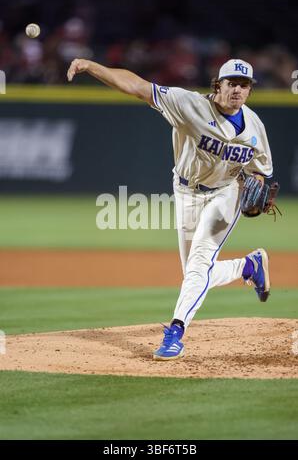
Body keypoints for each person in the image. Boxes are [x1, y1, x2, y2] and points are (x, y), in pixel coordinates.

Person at [67, 57, 273, 361]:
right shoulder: (187, 104)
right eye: (232, 83)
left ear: (249, 91)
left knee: (199, 263)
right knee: (194, 272)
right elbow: (137, 87)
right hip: (186, 192)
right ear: (219, 85)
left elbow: (263, 172)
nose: (237, 90)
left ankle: (176, 332)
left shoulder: (255, 126)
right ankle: (248, 266)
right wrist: (91, 67)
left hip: (226, 194)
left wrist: (257, 184)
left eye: (244, 86)